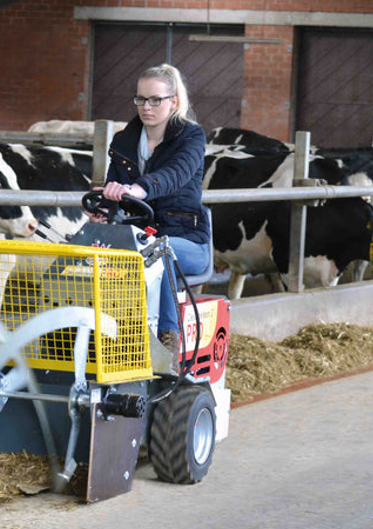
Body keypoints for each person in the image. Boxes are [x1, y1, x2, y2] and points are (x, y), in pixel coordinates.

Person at [97, 63, 210, 372]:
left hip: (186, 240)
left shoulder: (191, 138)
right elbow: (114, 188)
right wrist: (104, 209)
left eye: (155, 100)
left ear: (173, 101)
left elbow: (176, 174)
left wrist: (139, 188)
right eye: (140, 99)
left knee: (159, 253)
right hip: (136, 239)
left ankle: (166, 349)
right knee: (91, 254)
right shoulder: (123, 141)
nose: (146, 107)